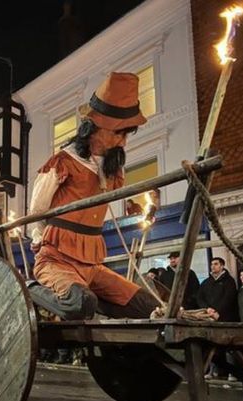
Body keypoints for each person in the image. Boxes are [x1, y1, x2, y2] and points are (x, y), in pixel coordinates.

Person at [28, 72, 162, 320]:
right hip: (55, 259)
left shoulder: (113, 171)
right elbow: (37, 209)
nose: (123, 143)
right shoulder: (63, 162)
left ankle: (96, 304)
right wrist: (38, 236)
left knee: (149, 304)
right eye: (118, 133)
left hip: (92, 264)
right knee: (80, 303)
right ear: (94, 129)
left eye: (126, 135)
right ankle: (30, 289)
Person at [197, 257, 239, 381]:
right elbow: (200, 297)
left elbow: (229, 298)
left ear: (222, 266)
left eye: (216, 264)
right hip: (210, 318)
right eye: (211, 264)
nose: (213, 267)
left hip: (225, 318)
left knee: (229, 346)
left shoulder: (229, 281)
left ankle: (232, 372)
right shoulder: (206, 282)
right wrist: (207, 309)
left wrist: (218, 311)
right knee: (211, 345)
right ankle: (212, 370)